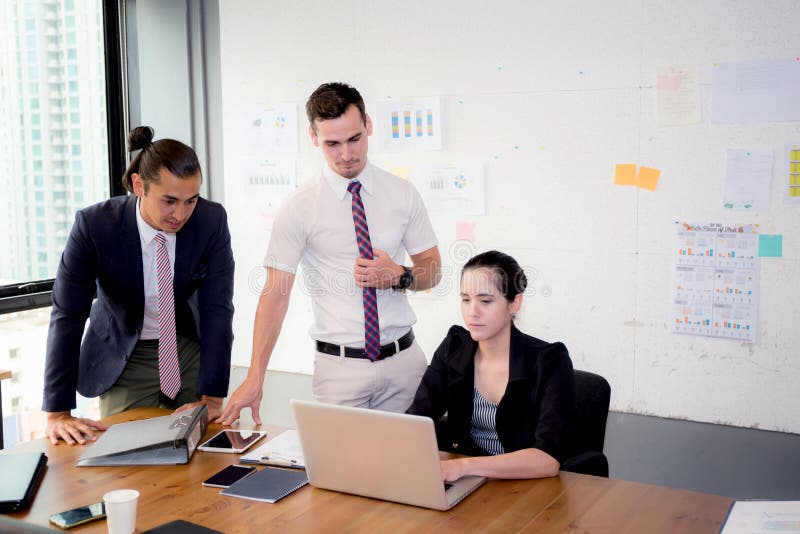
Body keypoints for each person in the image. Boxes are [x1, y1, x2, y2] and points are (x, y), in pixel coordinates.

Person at [218, 82, 441, 423]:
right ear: (313, 137)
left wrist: (400, 275)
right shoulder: (299, 206)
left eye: (354, 139)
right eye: (332, 144)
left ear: (368, 125)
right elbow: (275, 295)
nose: (346, 154)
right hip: (339, 372)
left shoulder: (402, 193)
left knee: (408, 473)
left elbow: (433, 270)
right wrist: (255, 376)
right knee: (340, 476)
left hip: (404, 364)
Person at [42, 126, 235, 445]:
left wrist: (213, 398)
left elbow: (218, 308)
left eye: (191, 201)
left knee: (198, 456)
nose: (180, 214)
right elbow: (68, 313)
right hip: (124, 354)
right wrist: (57, 412)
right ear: (138, 185)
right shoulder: (95, 225)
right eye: (169, 201)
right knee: (123, 455)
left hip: (186, 349)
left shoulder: (210, 220)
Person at [407, 251, 574, 481]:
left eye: (485, 301)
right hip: (471, 483)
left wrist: (464, 466)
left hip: (531, 487)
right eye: (466, 299)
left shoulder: (550, 360)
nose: (472, 312)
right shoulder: (454, 348)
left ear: (514, 303)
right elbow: (417, 421)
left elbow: (547, 460)